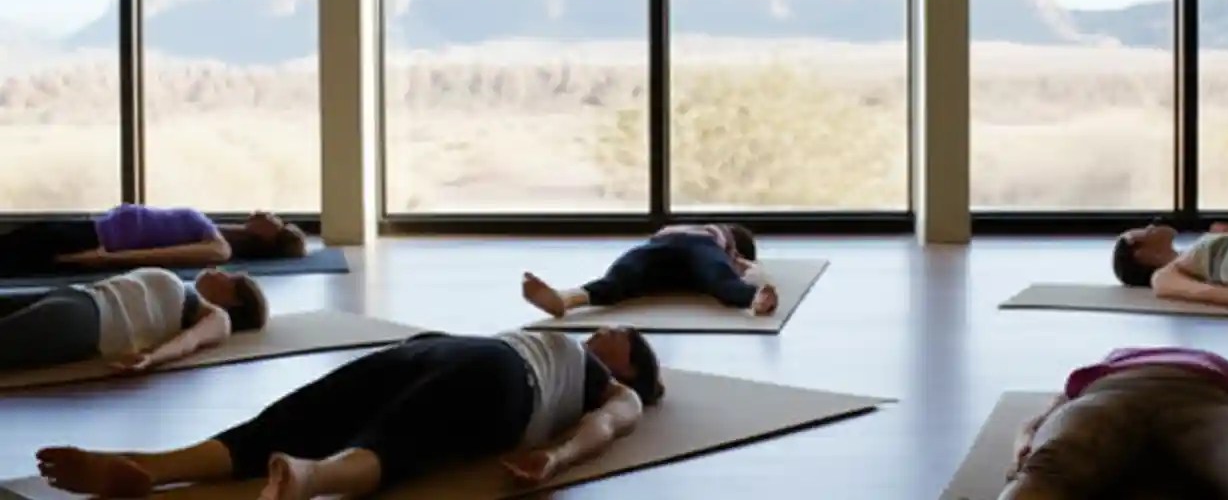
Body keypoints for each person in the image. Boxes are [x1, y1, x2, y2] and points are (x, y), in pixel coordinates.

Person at [36, 326, 664, 500]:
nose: (605, 333)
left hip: (509, 381)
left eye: (620, 336)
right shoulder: (560, 343)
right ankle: (147, 467)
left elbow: (605, 428)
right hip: (445, 352)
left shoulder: (612, 387)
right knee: (289, 419)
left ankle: (314, 479)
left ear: (630, 364)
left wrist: (554, 457)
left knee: (398, 439)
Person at [1000, 347, 1228, 500]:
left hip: (1206, 399)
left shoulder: (1222, 371)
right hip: (1113, 393)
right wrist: (1026, 444)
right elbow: (1045, 415)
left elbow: (1043, 417)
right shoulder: (1114, 359)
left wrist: (1028, 441)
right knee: (1050, 465)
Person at [0, 267, 269, 371]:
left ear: (234, 302)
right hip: (77, 296)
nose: (219, 272)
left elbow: (190, 341)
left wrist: (153, 357)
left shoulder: (218, 317)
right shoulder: (183, 289)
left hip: (87, 321)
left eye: (229, 280)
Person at [521, 223, 779, 318]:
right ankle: (564, 299)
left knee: (718, 278)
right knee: (622, 277)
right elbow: (738, 266)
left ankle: (754, 298)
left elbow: (735, 267)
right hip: (673, 250)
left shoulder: (722, 243)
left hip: (670, 250)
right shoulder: (715, 233)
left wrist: (744, 267)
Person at [0, 205, 308, 276]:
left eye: (277, 221)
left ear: (269, 237)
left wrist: (104, 260)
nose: (268, 213)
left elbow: (162, 256)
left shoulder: (220, 247)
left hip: (90, 239)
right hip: (91, 228)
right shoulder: (218, 233)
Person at [1112, 221, 1228, 312]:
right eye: (1143, 231)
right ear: (1140, 254)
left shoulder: (1190, 252)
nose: (1150, 226)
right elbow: (1211, 294)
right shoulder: (1163, 276)